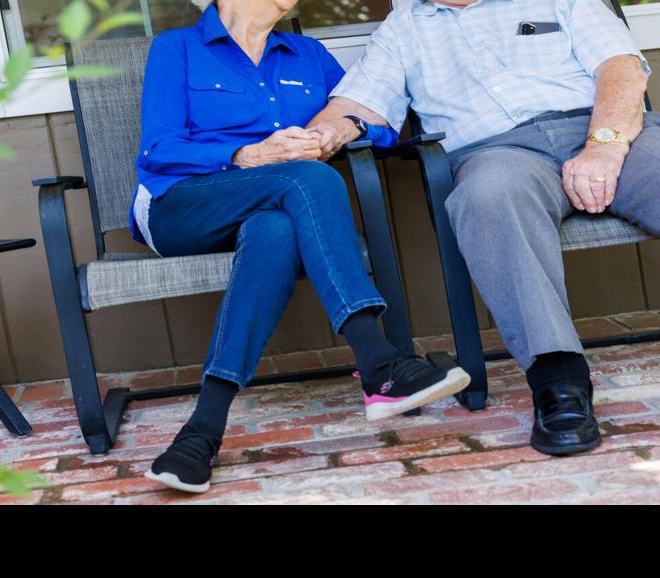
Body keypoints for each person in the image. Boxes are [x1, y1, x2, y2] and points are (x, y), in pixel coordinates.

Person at [298, 0, 660, 463]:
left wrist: (603, 145)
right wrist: (321, 135)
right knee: (488, 198)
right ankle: (559, 385)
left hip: (611, 133)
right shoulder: (403, 28)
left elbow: (620, 68)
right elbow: (359, 104)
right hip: (499, 151)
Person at [132, 0, 471, 493]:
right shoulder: (177, 48)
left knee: (275, 231)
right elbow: (159, 150)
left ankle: (201, 432)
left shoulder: (308, 54)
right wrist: (246, 154)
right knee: (307, 178)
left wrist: (341, 130)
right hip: (182, 205)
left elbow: (376, 124)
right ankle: (378, 362)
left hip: (272, 205)